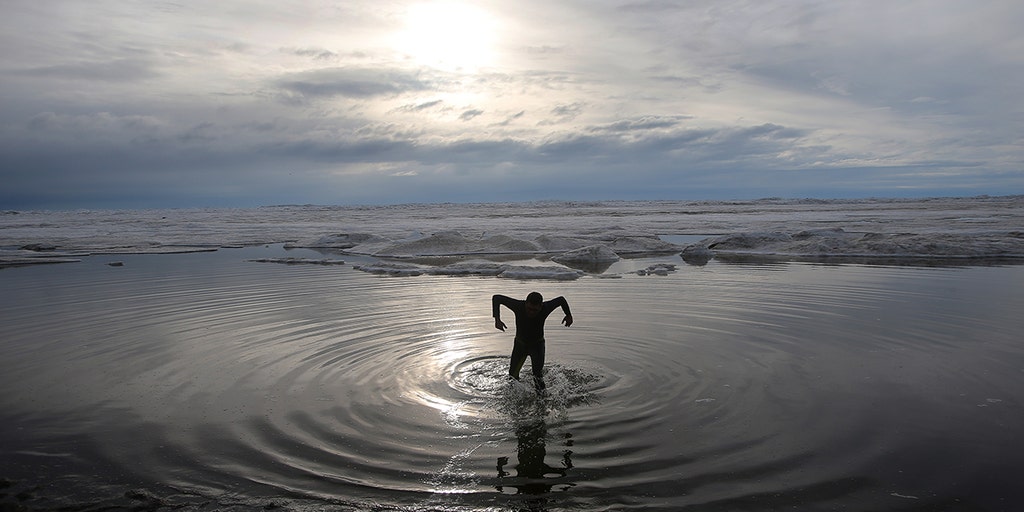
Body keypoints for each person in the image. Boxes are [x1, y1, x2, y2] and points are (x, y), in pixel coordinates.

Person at [492, 291, 573, 390]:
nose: (531, 312)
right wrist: (497, 319)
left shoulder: (545, 308)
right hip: (520, 345)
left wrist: (568, 315)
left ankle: (542, 401)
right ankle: (515, 399)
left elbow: (561, 300)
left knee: (537, 377)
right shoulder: (518, 306)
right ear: (525, 303)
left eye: (535, 310)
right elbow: (496, 298)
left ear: (540, 306)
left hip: (537, 346)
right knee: (512, 376)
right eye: (529, 309)